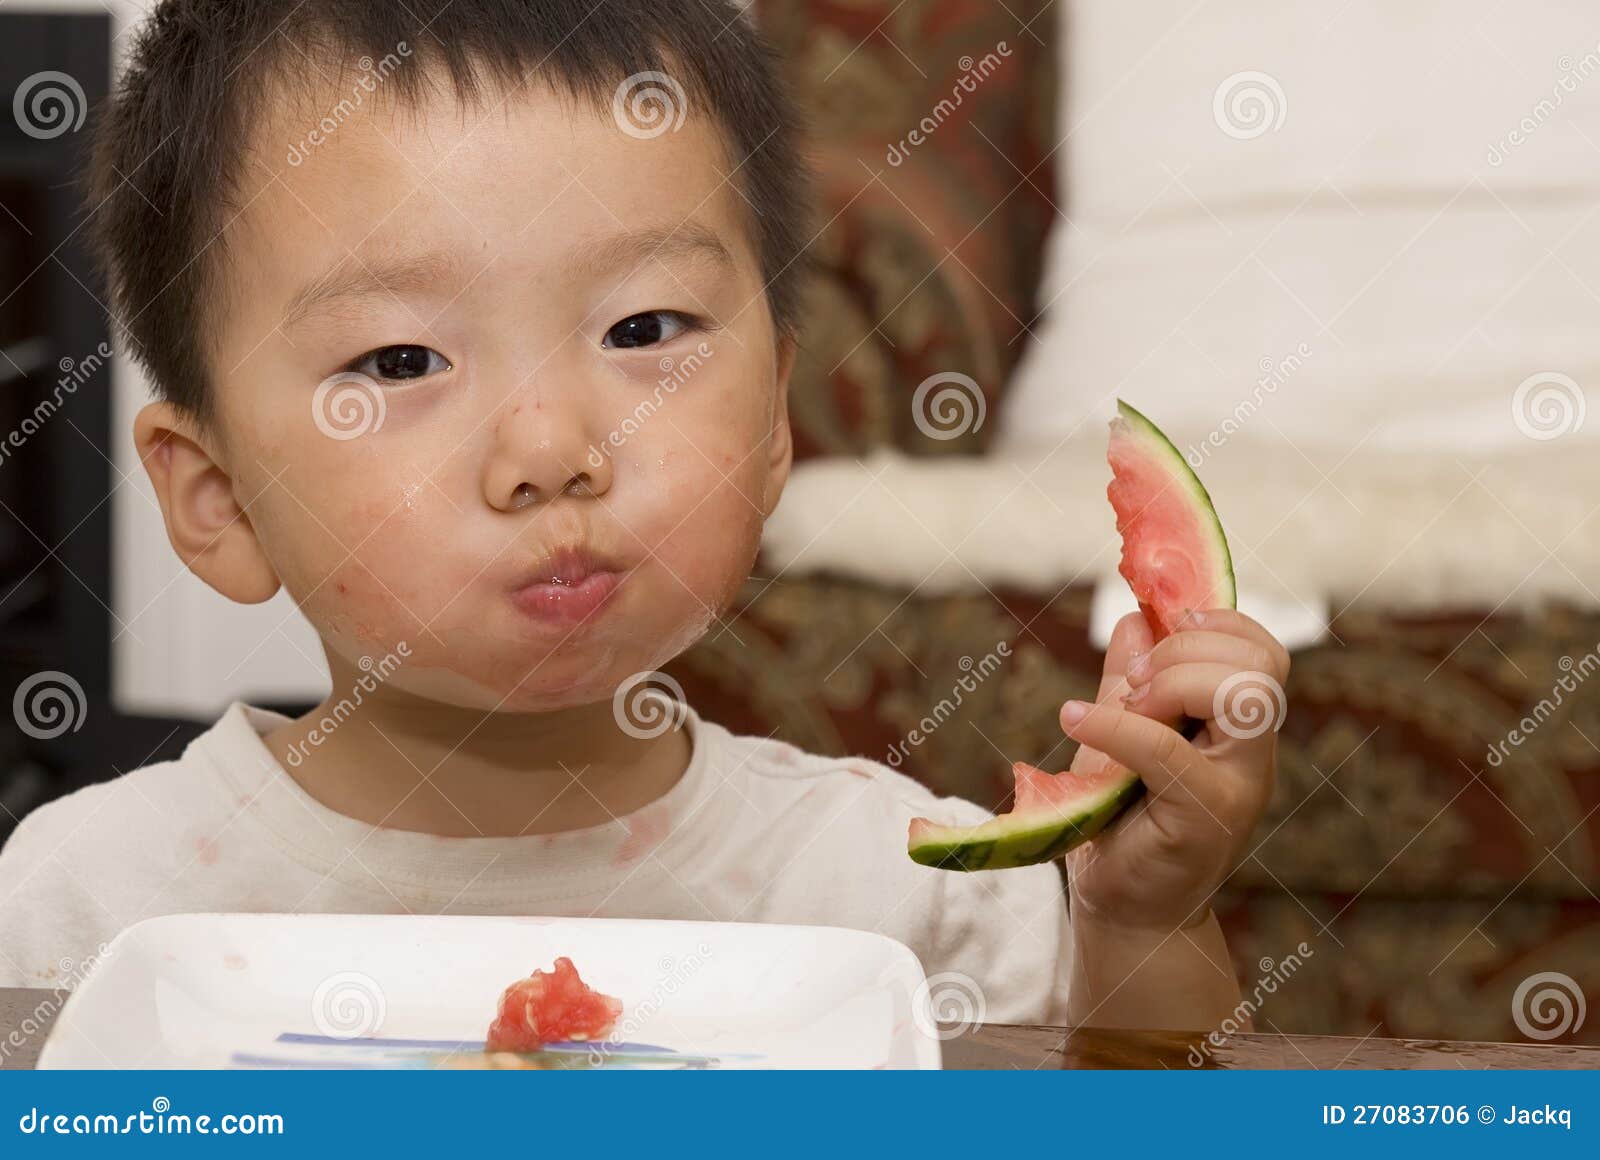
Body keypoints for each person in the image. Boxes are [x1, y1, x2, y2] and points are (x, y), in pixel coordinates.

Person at [0, 0, 1289, 1035]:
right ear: (216, 499)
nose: (553, 452)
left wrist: (1143, 931)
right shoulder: (79, 908)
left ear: (777, 418)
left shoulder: (907, 888)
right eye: (398, 363)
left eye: (644, 329)